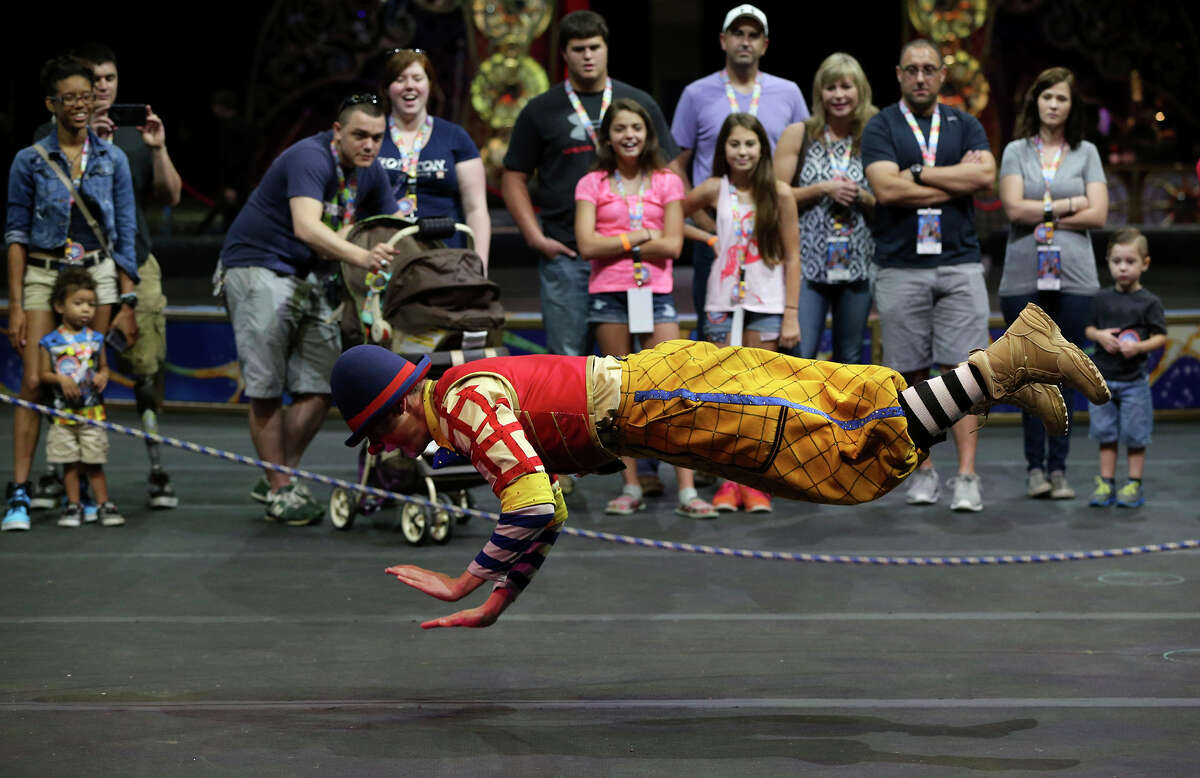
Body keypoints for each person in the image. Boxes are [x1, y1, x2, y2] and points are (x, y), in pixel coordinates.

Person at [328, 302, 1106, 629]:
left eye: (379, 437)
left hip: (661, 401)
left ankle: (1006, 363)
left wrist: (465, 580)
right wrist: (500, 602)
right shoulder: (463, 408)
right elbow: (550, 509)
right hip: (660, 412)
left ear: (394, 412)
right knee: (835, 415)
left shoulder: (460, 404)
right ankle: (1004, 369)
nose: (389, 452)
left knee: (834, 445)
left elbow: (529, 506)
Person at [217, 93, 401, 525]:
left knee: (321, 385)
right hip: (258, 266)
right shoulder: (309, 157)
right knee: (266, 388)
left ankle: (276, 474)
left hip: (311, 276)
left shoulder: (370, 171)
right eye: (359, 135)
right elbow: (306, 226)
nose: (369, 145)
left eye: (377, 137)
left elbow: (391, 230)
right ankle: (281, 488)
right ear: (338, 132)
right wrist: (362, 259)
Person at [30, 42, 186, 512]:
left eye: (109, 80)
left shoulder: (138, 137)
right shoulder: (50, 136)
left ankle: (157, 468)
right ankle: (60, 472)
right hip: (74, 273)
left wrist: (157, 150)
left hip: (134, 265)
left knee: (145, 369)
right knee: (66, 370)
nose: (101, 89)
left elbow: (171, 196)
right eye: (92, 81)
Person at [4, 56, 138, 532]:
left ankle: (77, 490)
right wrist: (17, 303)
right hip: (44, 274)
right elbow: (15, 233)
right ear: (52, 104)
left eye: (86, 96)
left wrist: (127, 301)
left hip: (98, 276)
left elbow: (125, 235)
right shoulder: (29, 159)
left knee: (84, 382)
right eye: (71, 98)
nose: (81, 105)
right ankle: (18, 490)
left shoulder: (113, 158)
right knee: (33, 382)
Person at [862, 39, 996, 512]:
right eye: (912, 70)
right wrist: (949, 181)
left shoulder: (965, 124)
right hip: (901, 268)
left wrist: (916, 173)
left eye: (929, 70)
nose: (920, 77)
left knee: (966, 374)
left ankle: (966, 476)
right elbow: (883, 188)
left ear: (942, 75)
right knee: (911, 375)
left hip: (959, 263)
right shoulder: (881, 125)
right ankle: (922, 471)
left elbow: (984, 179)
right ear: (899, 74)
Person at [502, 9, 678, 357]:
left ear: (606, 49)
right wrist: (537, 239)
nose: (587, 56)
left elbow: (669, 169)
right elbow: (513, 178)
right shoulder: (541, 109)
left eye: (594, 47)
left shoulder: (638, 103)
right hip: (568, 253)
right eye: (578, 49)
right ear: (564, 54)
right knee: (570, 359)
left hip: (631, 260)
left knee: (644, 366)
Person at [573, 98, 715, 519]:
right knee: (615, 396)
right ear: (608, 136)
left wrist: (615, 241)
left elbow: (673, 245)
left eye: (636, 127)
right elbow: (586, 245)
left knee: (673, 390)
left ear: (648, 133)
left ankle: (686, 491)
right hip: (609, 296)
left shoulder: (667, 182)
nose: (629, 135)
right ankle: (630, 485)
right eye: (620, 129)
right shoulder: (592, 183)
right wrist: (638, 236)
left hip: (655, 294)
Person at [998, 66, 1108, 501]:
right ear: (1035, 102)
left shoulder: (1086, 153)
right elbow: (1012, 210)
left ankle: (1059, 468)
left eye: (1062, 98)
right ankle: (1034, 469)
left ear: (1070, 105)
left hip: (1076, 277)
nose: (1054, 105)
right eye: (1047, 97)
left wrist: (1040, 209)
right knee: (1026, 376)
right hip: (1023, 274)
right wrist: (1068, 203)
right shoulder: (1015, 151)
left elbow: (1098, 214)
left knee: (1066, 372)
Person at [669, 3, 809, 341]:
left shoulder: (788, 92)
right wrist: (709, 229)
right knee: (716, 354)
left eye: (753, 35)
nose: (745, 42)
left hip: (769, 236)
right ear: (723, 40)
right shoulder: (696, 93)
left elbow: (803, 157)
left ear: (764, 44)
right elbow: (676, 163)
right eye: (737, 34)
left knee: (761, 369)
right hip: (719, 238)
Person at [683, 113, 800, 514]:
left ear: (762, 149)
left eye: (750, 144)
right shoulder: (717, 188)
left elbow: (793, 256)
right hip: (721, 301)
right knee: (722, 394)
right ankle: (728, 482)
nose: (743, 151)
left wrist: (791, 313)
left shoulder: (780, 193)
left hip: (766, 304)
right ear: (724, 151)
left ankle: (756, 483)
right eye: (735, 144)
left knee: (760, 394)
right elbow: (673, 213)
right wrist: (709, 235)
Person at [774, 52, 878, 363]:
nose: (839, 95)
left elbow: (888, 198)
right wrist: (823, 188)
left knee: (850, 357)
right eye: (830, 87)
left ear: (860, 90)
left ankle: (844, 415)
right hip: (807, 264)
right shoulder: (800, 133)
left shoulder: (875, 133)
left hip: (858, 263)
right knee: (800, 356)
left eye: (846, 86)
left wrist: (859, 194)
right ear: (820, 93)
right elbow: (774, 195)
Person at [377, 48, 490, 268]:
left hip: (446, 256)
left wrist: (480, 265)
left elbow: (476, 209)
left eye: (417, 78)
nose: (409, 86)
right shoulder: (373, 135)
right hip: (386, 256)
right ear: (387, 88)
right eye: (400, 79)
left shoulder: (455, 137)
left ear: (429, 85)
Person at [37, 268, 125, 528]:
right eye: (78, 303)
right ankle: (73, 505)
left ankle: (103, 504)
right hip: (62, 416)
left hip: (92, 414)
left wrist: (103, 376)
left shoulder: (96, 340)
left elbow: (104, 367)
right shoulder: (50, 341)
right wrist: (60, 379)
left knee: (94, 462)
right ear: (59, 306)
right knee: (70, 465)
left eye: (91, 304)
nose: (86, 310)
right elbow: (42, 374)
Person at [1084, 229, 1165, 509]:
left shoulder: (1149, 302)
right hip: (1104, 381)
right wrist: (1100, 336)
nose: (1123, 267)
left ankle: (1133, 483)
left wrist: (1139, 347)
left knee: (1135, 434)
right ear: (1108, 262)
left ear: (1145, 263)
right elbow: (1090, 328)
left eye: (1130, 261)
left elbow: (1160, 336)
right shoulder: (1101, 299)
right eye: (1117, 261)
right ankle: (1106, 482)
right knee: (1105, 434)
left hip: (1134, 382)